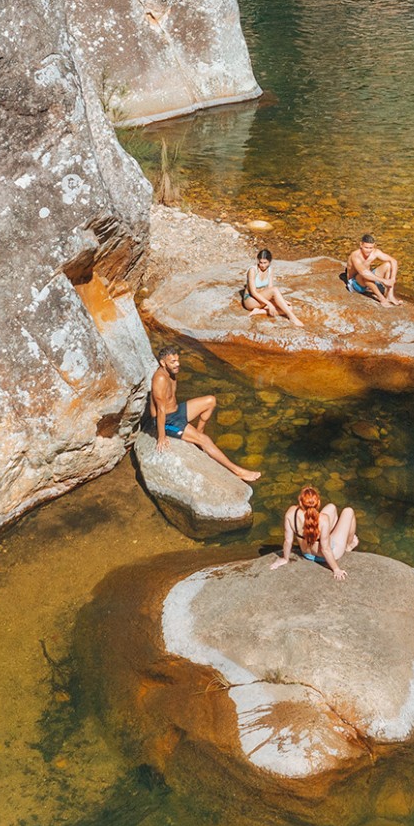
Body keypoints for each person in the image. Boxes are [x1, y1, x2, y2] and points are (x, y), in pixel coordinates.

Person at [147, 346, 260, 482]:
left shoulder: (172, 372)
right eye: (172, 362)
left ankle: (199, 435)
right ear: (162, 363)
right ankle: (238, 472)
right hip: (167, 421)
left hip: (177, 411)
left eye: (177, 360)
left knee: (210, 400)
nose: (177, 364)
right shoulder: (159, 379)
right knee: (205, 440)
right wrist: (161, 436)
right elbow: (160, 410)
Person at [270, 486, 359, 579]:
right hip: (328, 554)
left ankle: (329, 536)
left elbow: (288, 541)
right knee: (348, 511)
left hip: (307, 554)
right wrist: (336, 569)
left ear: (300, 501)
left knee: (331, 507)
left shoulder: (291, 512)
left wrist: (285, 559)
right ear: (318, 503)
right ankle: (348, 546)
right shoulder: (323, 519)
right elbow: (326, 549)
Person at [241, 248, 304, 327]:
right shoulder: (252, 270)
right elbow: (253, 292)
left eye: (265, 263)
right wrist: (269, 304)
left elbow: (269, 289)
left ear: (269, 262)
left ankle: (260, 311)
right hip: (251, 300)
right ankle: (292, 318)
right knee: (275, 290)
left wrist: (282, 301)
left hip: (261, 299)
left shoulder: (270, 270)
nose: (262, 265)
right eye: (260, 262)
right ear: (258, 261)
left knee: (289, 308)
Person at [344, 233, 402, 307]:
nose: (368, 250)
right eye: (366, 247)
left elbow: (393, 261)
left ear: (374, 246)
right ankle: (382, 300)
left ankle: (389, 296)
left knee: (388, 265)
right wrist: (383, 280)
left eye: (371, 248)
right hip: (355, 283)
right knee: (366, 276)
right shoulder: (355, 256)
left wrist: (392, 279)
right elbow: (363, 273)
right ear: (361, 245)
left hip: (368, 280)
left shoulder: (375, 252)